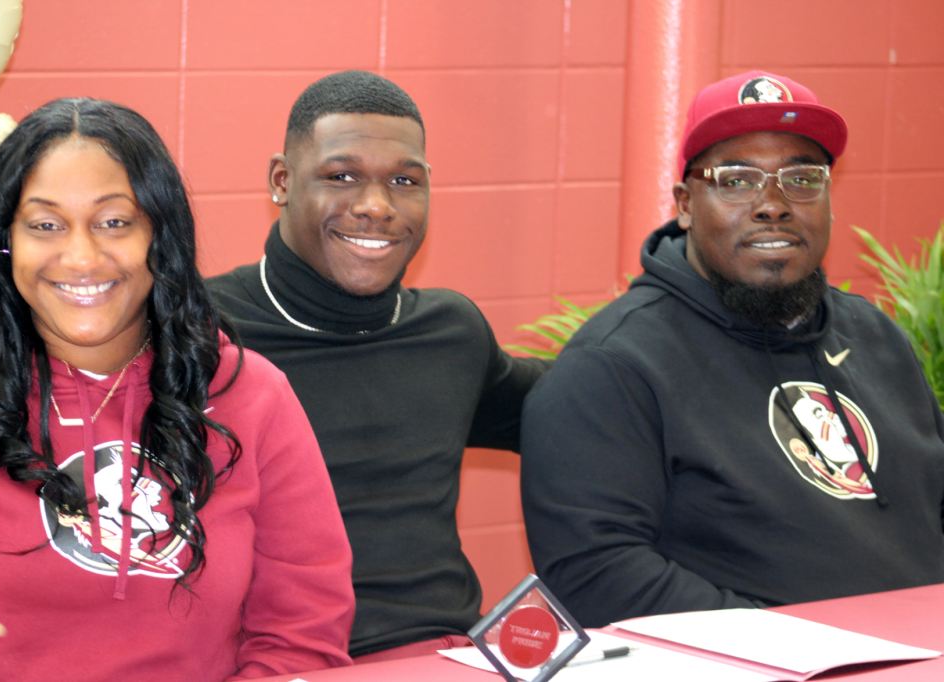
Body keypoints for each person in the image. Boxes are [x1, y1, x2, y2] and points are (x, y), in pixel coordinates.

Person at [0, 98, 354, 681]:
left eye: (114, 222)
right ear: (5, 243)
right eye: (45, 224)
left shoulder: (251, 394)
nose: (81, 256)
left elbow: (302, 635)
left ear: (160, 235)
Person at [520, 71, 944, 627]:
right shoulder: (613, 365)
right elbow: (596, 575)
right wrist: (797, 647)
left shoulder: (875, 334)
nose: (773, 204)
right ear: (686, 204)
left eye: (802, 177)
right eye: (737, 180)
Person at [207, 70, 550, 660]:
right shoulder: (197, 332)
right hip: (267, 662)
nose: (376, 206)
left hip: (443, 658)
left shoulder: (451, 333)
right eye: (342, 177)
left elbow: (588, 409)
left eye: (403, 181)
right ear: (282, 181)